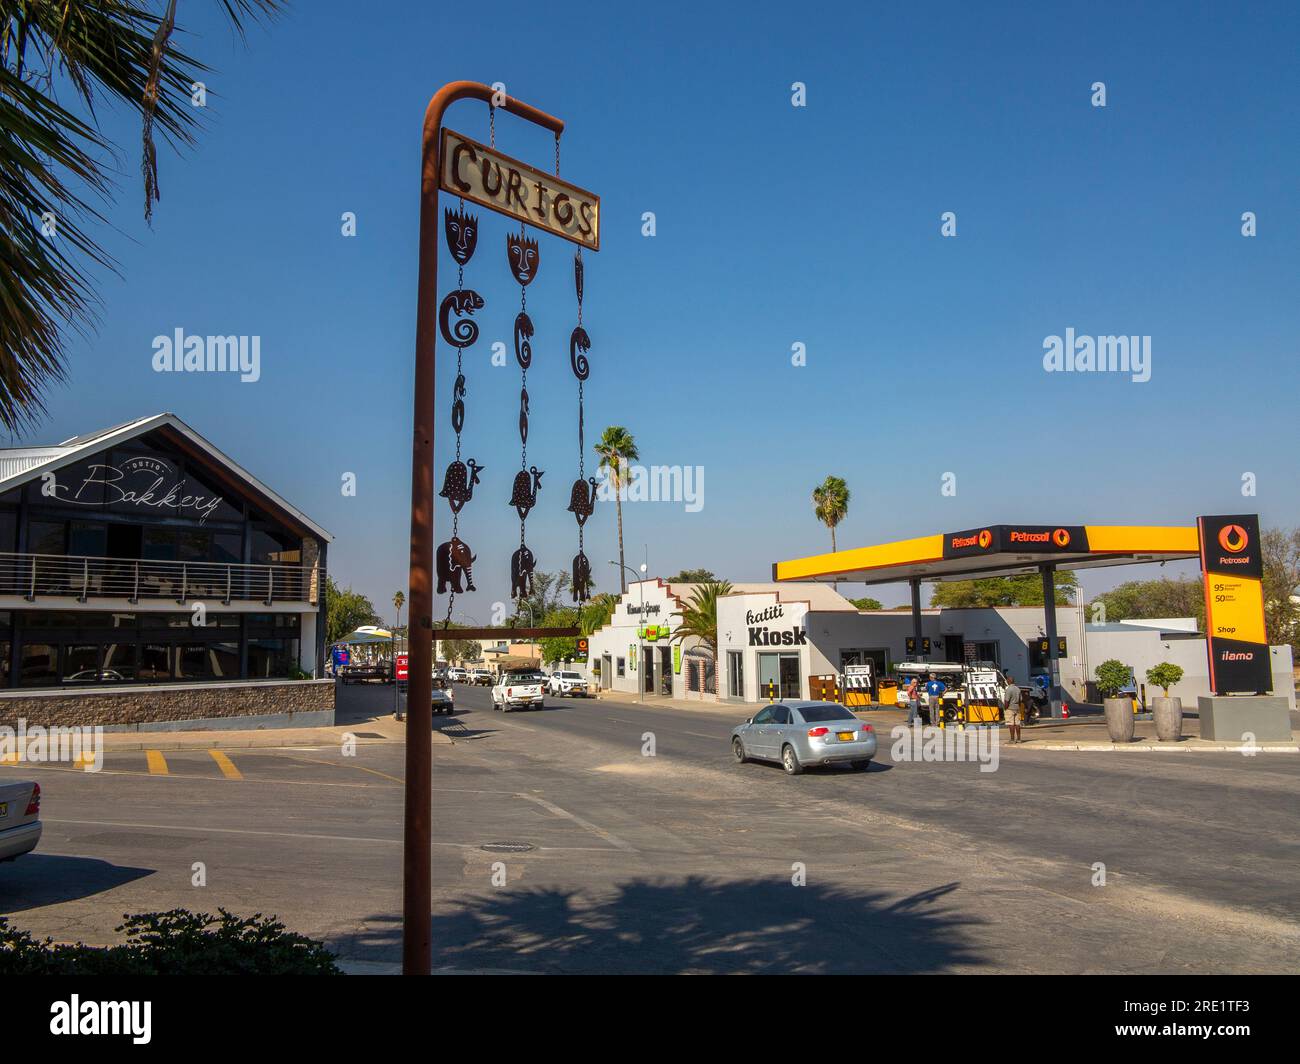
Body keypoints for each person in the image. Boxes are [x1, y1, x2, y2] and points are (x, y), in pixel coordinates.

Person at [1003, 674, 1023, 743]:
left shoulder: (1008, 689)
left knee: (1011, 724)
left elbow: (1006, 701)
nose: (1007, 681)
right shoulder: (1018, 689)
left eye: (1007, 680)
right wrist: (1018, 707)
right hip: (1017, 708)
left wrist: (1005, 708)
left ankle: (1012, 739)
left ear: (1009, 681)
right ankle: (1019, 739)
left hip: (1010, 708)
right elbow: (1020, 700)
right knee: (1017, 724)